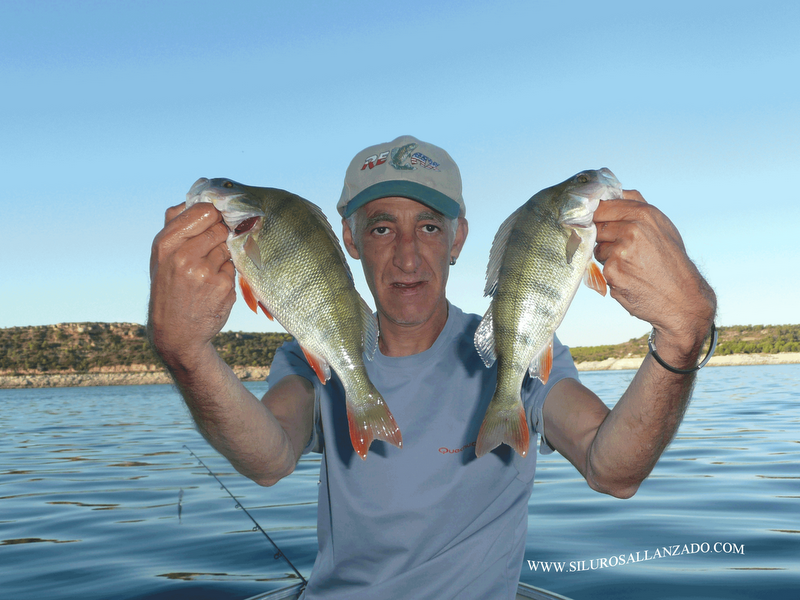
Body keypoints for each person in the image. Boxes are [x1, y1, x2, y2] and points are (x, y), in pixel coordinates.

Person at [148, 135, 716, 599]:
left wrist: (684, 332)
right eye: (380, 227)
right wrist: (187, 351)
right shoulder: (311, 353)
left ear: (458, 238)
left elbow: (611, 468)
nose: (408, 255)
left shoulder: (519, 345)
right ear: (349, 239)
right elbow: (268, 457)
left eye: (428, 226)